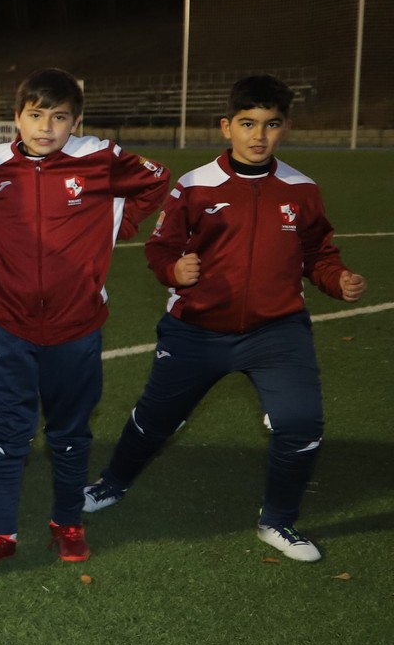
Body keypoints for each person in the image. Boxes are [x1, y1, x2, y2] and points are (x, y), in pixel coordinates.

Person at [82, 75, 368, 560]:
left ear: (285, 128)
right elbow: (161, 246)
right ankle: (112, 483)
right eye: (248, 123)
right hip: (196, 330)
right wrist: (175, 269)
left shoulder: (301, 189)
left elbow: (318, 252)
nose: (259, 135)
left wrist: (337, 279)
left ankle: (278, 522)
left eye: (271, 124)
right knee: (156, 419)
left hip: (277, 331)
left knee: (300, 423)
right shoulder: (195, 186)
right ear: (226, 127)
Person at [0, 70, 170, 570]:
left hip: (77, 325)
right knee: (8, 433)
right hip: (10, 325)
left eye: (59, 117)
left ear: (76, 121)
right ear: (17, 117)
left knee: (70, 433)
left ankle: (68, 522)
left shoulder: (99, 158)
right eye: (35, 115)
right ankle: (1, 532)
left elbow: (157, 180)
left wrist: (117, 223)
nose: (46, 128)